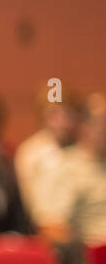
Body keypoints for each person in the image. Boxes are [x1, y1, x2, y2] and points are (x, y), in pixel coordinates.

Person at [15, 90, 83, 234]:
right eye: (54, 115)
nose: (62, 122)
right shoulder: (31, 152)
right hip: (46, 230)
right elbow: (33, 209)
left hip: (83, 229)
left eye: (67, 115)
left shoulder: (84, 149)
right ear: (43, 117)